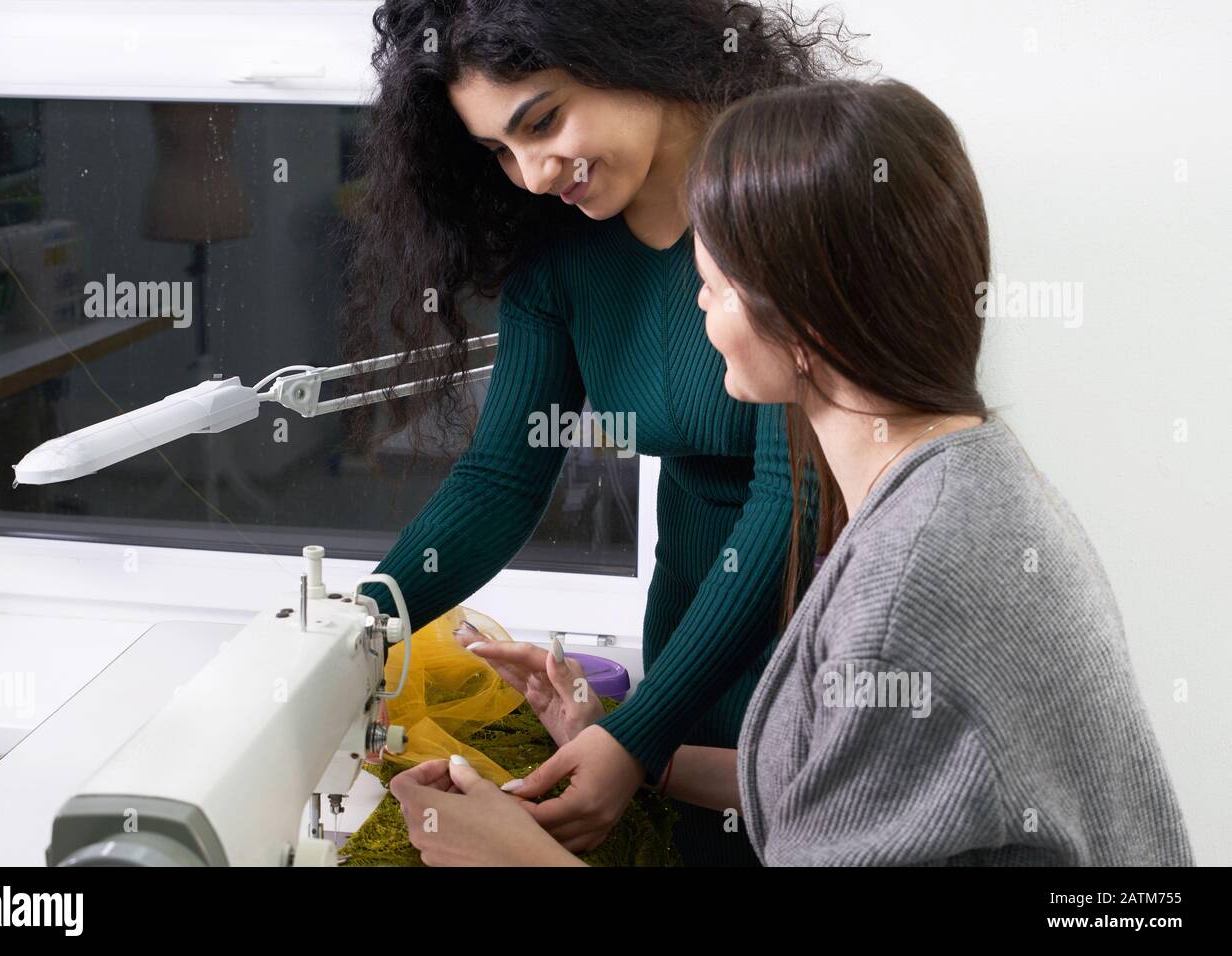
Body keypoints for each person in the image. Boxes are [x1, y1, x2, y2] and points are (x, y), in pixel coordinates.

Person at [388, 78, 1194, 866]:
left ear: (804, 320)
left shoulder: (898, 593)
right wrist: (647, 754)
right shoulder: (970, 485)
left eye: (712, 286)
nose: (698, 312)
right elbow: (839, 781)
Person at [346, 0, 861, 865]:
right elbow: (501, 479)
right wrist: (362, 623)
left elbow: (792, 495)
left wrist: (638, 738)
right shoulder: (564, 253)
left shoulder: (789, 198)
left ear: (633, 45)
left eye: (541, 122)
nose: (532, 173)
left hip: (815, 642)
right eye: (499, 152)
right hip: (688, 642)